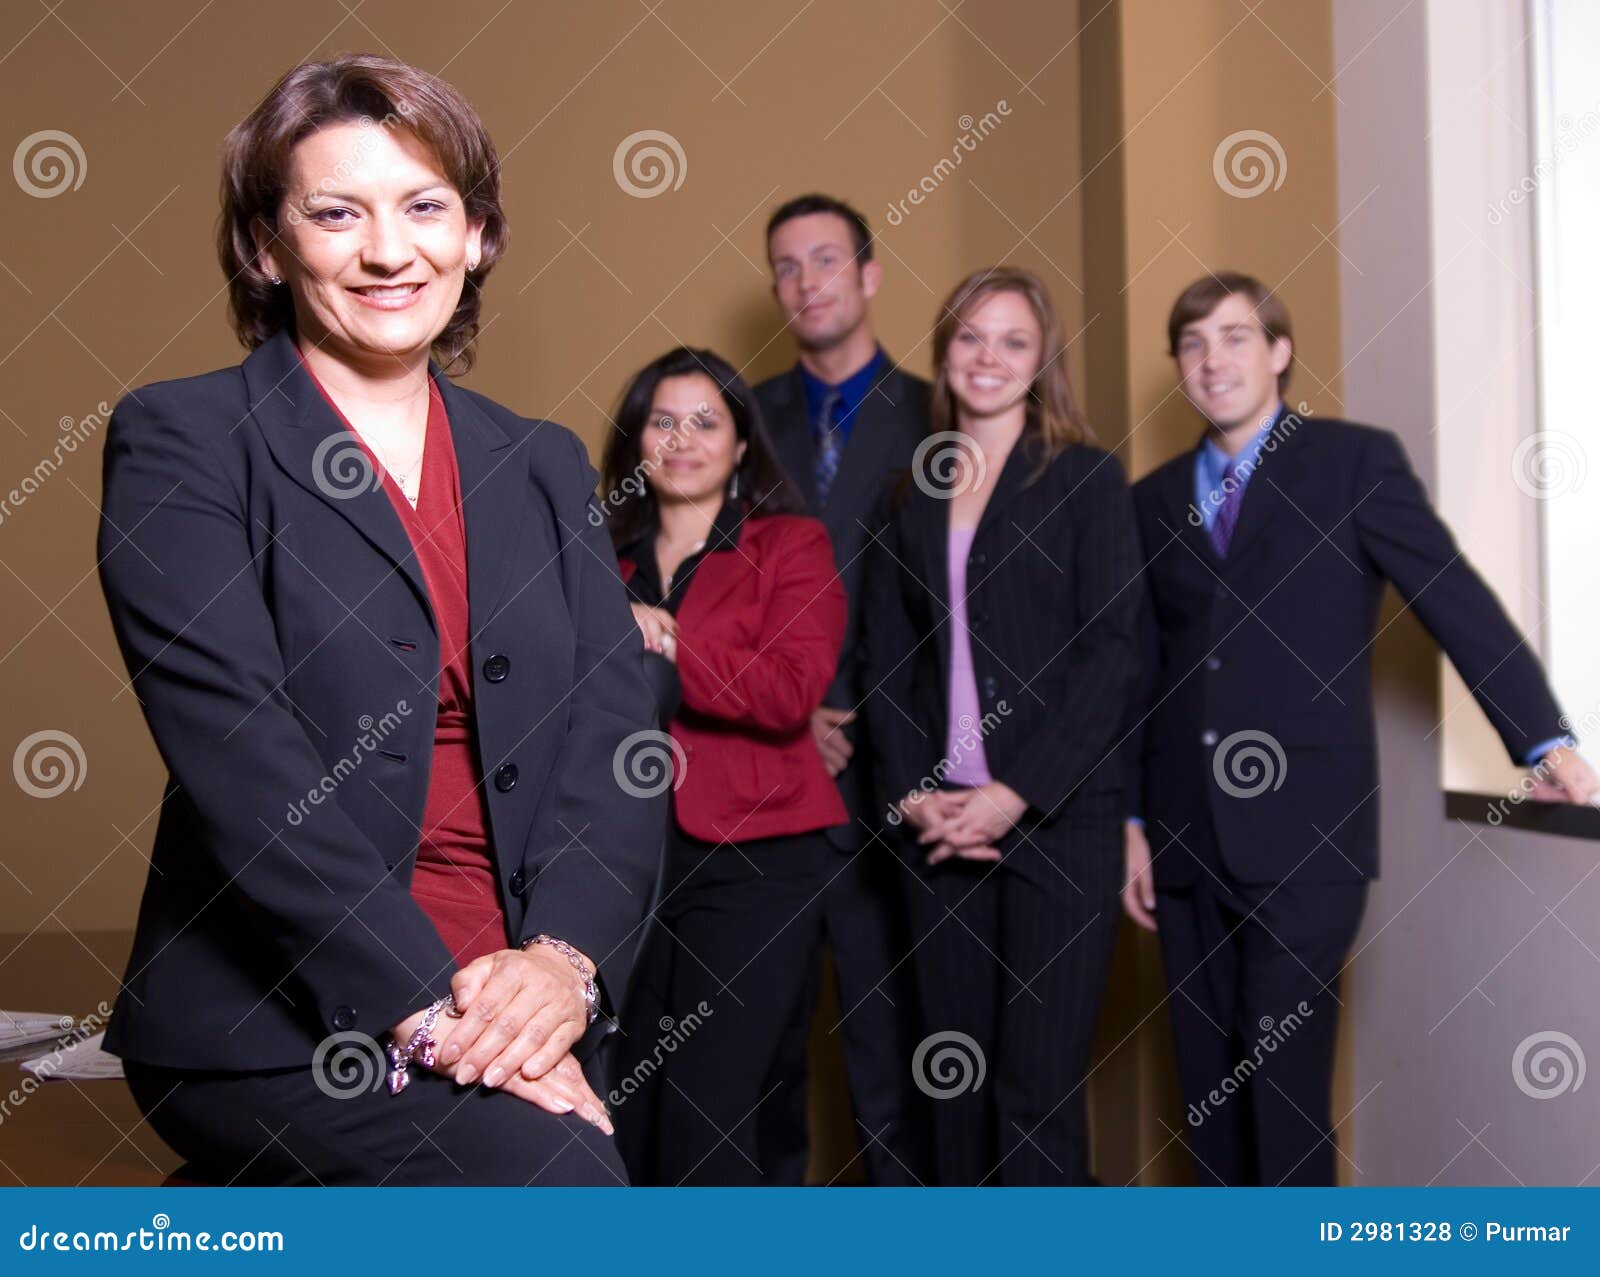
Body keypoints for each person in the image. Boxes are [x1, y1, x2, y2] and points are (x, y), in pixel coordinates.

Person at [96, 54, 663, 1186]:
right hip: (278, 1014)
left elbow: (616, 746)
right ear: (268, 245)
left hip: (514, 984)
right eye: (336, 211)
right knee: (566, 1192)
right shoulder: (184, 441)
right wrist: (434, 1017)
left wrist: (562, 967)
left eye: (424, 207)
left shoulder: (543, 462)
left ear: (478, 235)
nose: (389, 250)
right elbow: (247, 774)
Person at [1120, 270, 1599, 1187]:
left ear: (1279, 352)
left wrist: (1543, 738)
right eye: (1192, 344)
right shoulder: (1150, 500)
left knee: (1282, 1080)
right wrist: (1134, 823)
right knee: (1206, 1093)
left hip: (1308, 834)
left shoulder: (1352, 462)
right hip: (1183, 836)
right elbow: (1142, 669)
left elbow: (1449, 594)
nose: (1211, 360)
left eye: (1233, 337)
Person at [861, 266, 1143, 1185]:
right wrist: (913, 798)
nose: (989, 357)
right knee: (953, 1089)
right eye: (971, 336)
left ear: (1041, 360)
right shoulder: (910, 489)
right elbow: (887, 665)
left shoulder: (1087, 478)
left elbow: (1117, 655)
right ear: (945, 349)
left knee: (1037, 1095)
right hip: (939, 835)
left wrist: (1015, 794)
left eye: (1013, 341)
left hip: (1060, 828)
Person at [600, 347, 848, 1184]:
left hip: (758, 860)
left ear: (743, 443)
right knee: (617, 1103)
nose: (683, 439)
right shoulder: (601, 559)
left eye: (707, 421)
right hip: (625, 866)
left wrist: (666, 636)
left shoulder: (791, 546)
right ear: (637, 441)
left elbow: (788, 691)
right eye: (663, 421)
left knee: (709, 1111)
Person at [751, 193, 931, 1183]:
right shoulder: (740, 418)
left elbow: (962, 597)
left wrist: (861, 708)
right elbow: (723, 578)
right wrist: (785, 709)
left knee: (892, 1048)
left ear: (867, 275)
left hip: (891, 776)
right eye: (785, 266)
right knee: (761, 1050)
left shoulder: (943, 412)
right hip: (767, 780)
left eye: (824, 260)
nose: (806, 281)